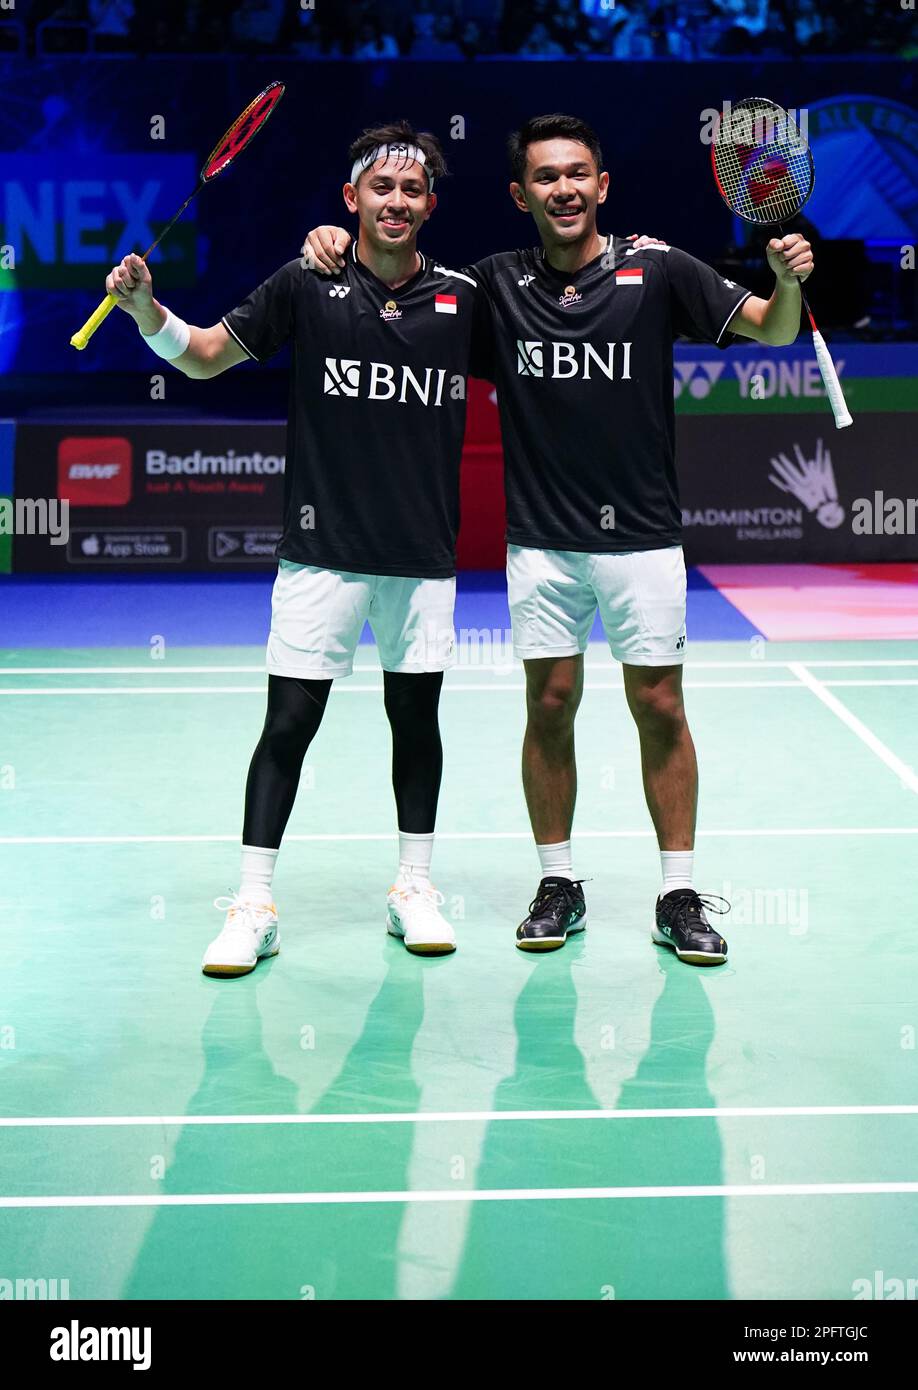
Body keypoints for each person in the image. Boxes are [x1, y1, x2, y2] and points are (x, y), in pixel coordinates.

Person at [302, 112, 814, 964]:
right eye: (546, 177)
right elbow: (397, 287)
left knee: (659, 706)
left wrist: (789, 280)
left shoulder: (661, 268)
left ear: (601, 185)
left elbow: (777, 328)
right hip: (542, 540)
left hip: (644, 536)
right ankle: (559, 882)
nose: (564, 188)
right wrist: (336, 240)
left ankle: (678, 892)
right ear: (520, 194)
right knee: (549, 706)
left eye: (578, 173)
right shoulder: (493, 287)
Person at [104, 122, 491, 973]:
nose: (397, 200)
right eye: (379, 188)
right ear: (350, 200)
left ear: (431, 205)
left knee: (415, 720)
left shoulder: (465, 299)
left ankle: (413, 888)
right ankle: (252, 903)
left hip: (421, 554)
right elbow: (203, 357)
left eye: (413, 189)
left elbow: (543, 353)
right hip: (320, 552)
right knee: (289, 722)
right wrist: (145, 312)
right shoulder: (305, 284)